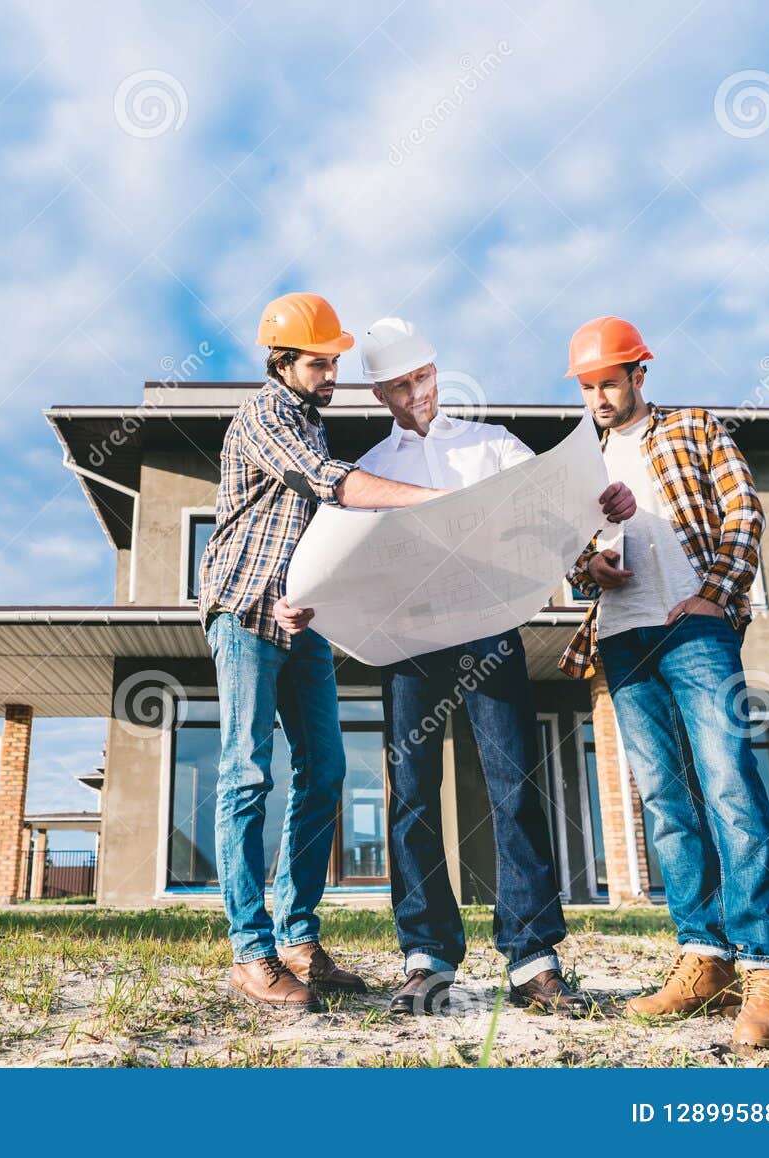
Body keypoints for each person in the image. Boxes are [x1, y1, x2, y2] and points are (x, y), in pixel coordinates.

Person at [353, 317, 635, 1016]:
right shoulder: (372, 469)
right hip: (413, 636)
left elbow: (553, 511)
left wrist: (596, 531)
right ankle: (426, 957)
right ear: (380, 392)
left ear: (436, 372)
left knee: (513, 782)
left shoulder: (490, 446)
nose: (412, 394)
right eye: (396, 387)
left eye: (420, 378)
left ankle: (532, 960)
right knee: (412, 790)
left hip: (488, 627)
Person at [557, 316, 769, 1049]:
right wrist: (589, 568)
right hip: (622, 636)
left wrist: (716, 593)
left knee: (728, 781)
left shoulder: (693, 427)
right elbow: (575, 559)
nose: (599, 396)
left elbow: (743, 511)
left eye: (610, 381)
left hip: (694, 626)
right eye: (588, 386)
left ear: (639, 374)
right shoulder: (587, 461)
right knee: (664, 798)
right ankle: (705, 958)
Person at [197, 292, 446, 1012]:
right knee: (246, 771)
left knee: (327, 768)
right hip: (244, 609)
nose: (332, 370)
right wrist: (429, 502)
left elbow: (315, 529)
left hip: (295, 617)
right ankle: (252, 952)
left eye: (336, 359)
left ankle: (298, 938)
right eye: (319, 360)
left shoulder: (308, 419)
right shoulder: (267, 414)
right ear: (282, 362)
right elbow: (329, 484)